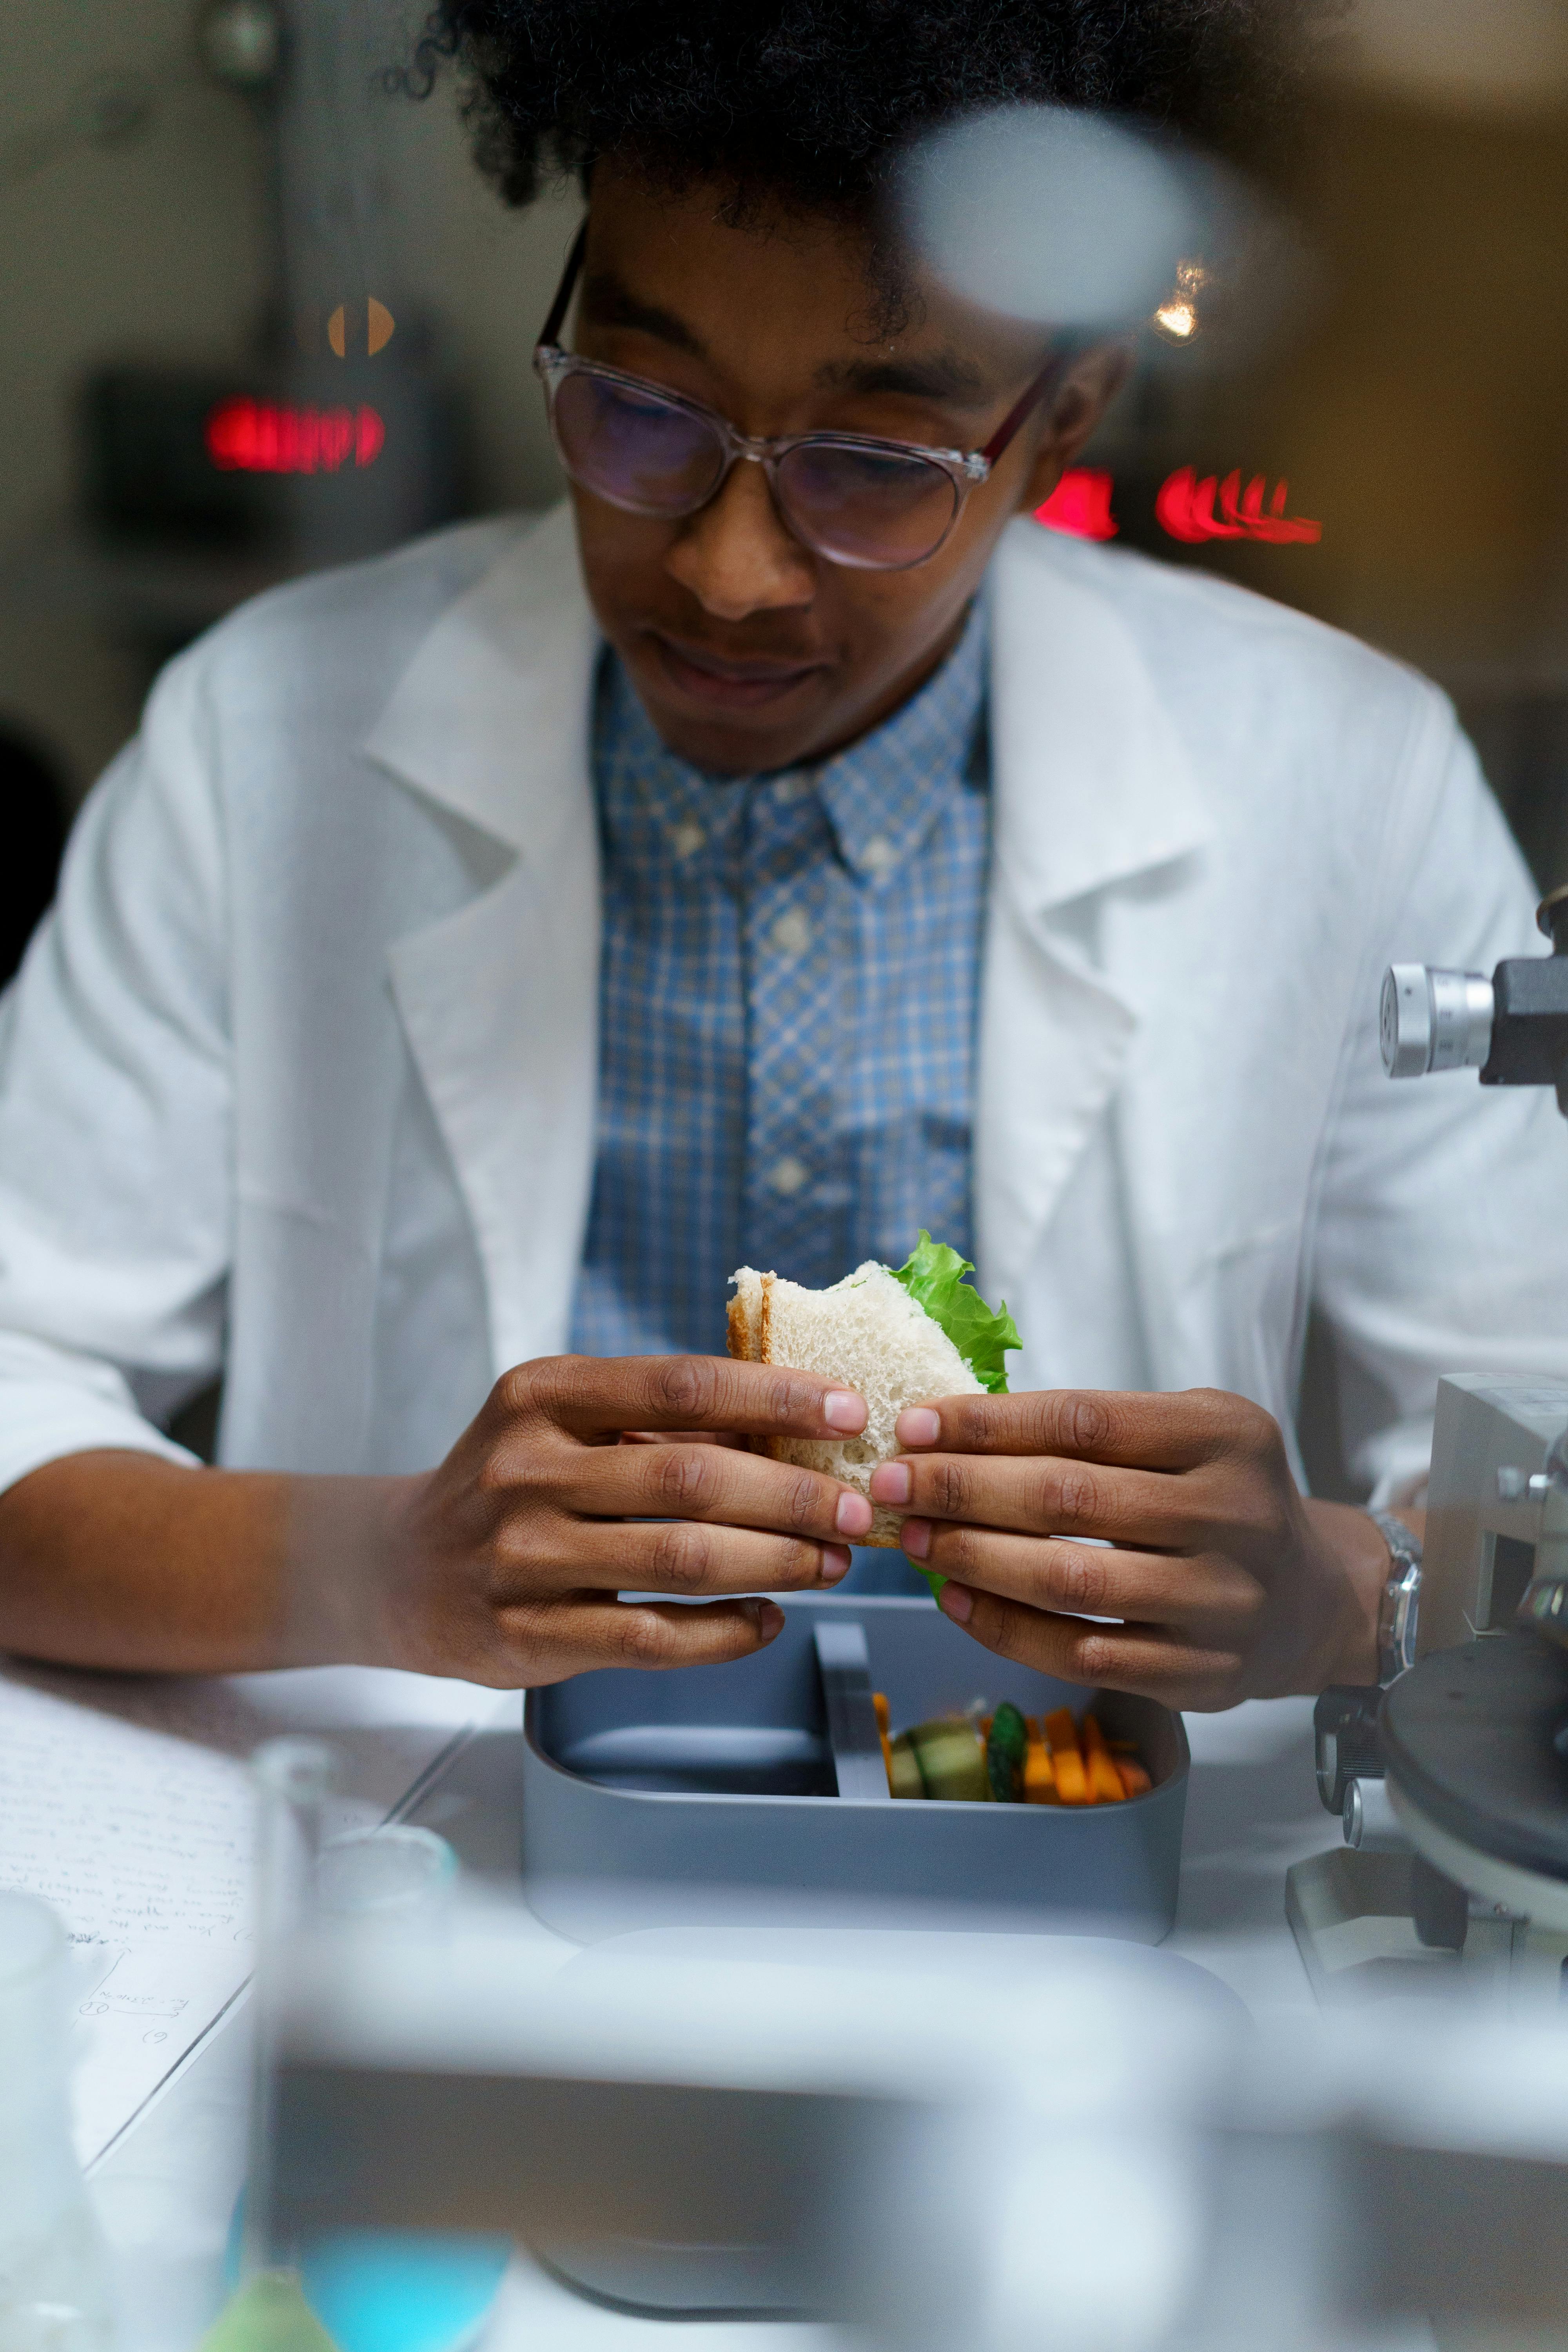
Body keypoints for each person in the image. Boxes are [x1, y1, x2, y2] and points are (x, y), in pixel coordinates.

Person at [0, 0, 1562, 1711]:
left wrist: (1348, 1594)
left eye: (876, 463)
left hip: (1088, 1873)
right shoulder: (263, 740)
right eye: (643, 407)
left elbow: (1532, 1448)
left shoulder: (1348, 770)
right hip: (443, 1856)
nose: (731, 572)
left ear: (1061, 425)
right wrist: (389, 1568)